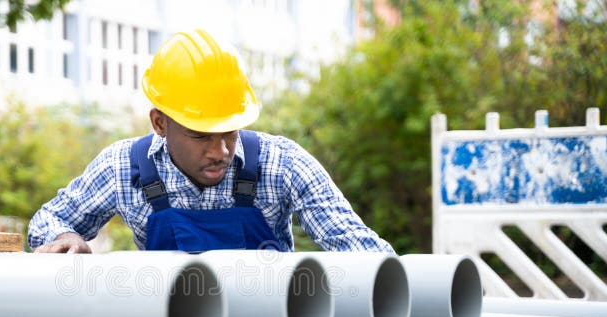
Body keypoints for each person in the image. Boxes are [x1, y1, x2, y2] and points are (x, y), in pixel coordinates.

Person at [28, 28, 393, 254]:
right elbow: (48, 219)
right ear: (159, 122)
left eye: (229, 132)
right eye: (201, 135)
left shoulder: (283, 164)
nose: (220, 151)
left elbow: (356, 245)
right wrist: (64, 235)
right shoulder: (124, 168)